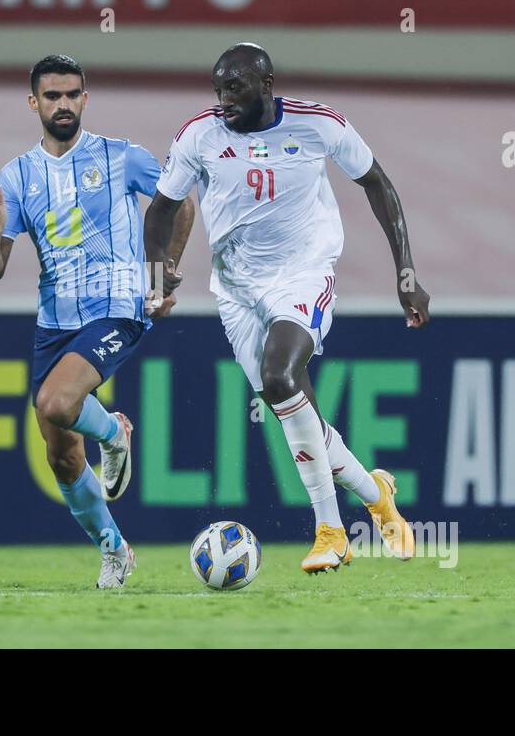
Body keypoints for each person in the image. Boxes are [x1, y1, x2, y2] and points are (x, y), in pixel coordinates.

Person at [143, 43, 429, 574]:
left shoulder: (320, 126)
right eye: (218, 89)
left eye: (235, 88)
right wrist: (157, 273)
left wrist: (405, 272)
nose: (223, 99)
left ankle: (330, 532)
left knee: (280, 375)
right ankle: (378, 495)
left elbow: (378, 186)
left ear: (267, 83)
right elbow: (160, 210)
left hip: (303, 272)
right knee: (299, 414)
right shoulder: (198, 136)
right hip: (234, 290)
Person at [0, 55, 195, 588]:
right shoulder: (18, 176)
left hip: (118, 306)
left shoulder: (121, 157)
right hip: (54, 323)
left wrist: (161, 277)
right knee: (61, 454)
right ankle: (115, 549)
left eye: (73, 94)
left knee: (56, 402)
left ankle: (115, 433)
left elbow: (179, 204)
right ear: (34, 104)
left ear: (85, 99)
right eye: (52, 96)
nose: (64, 104)